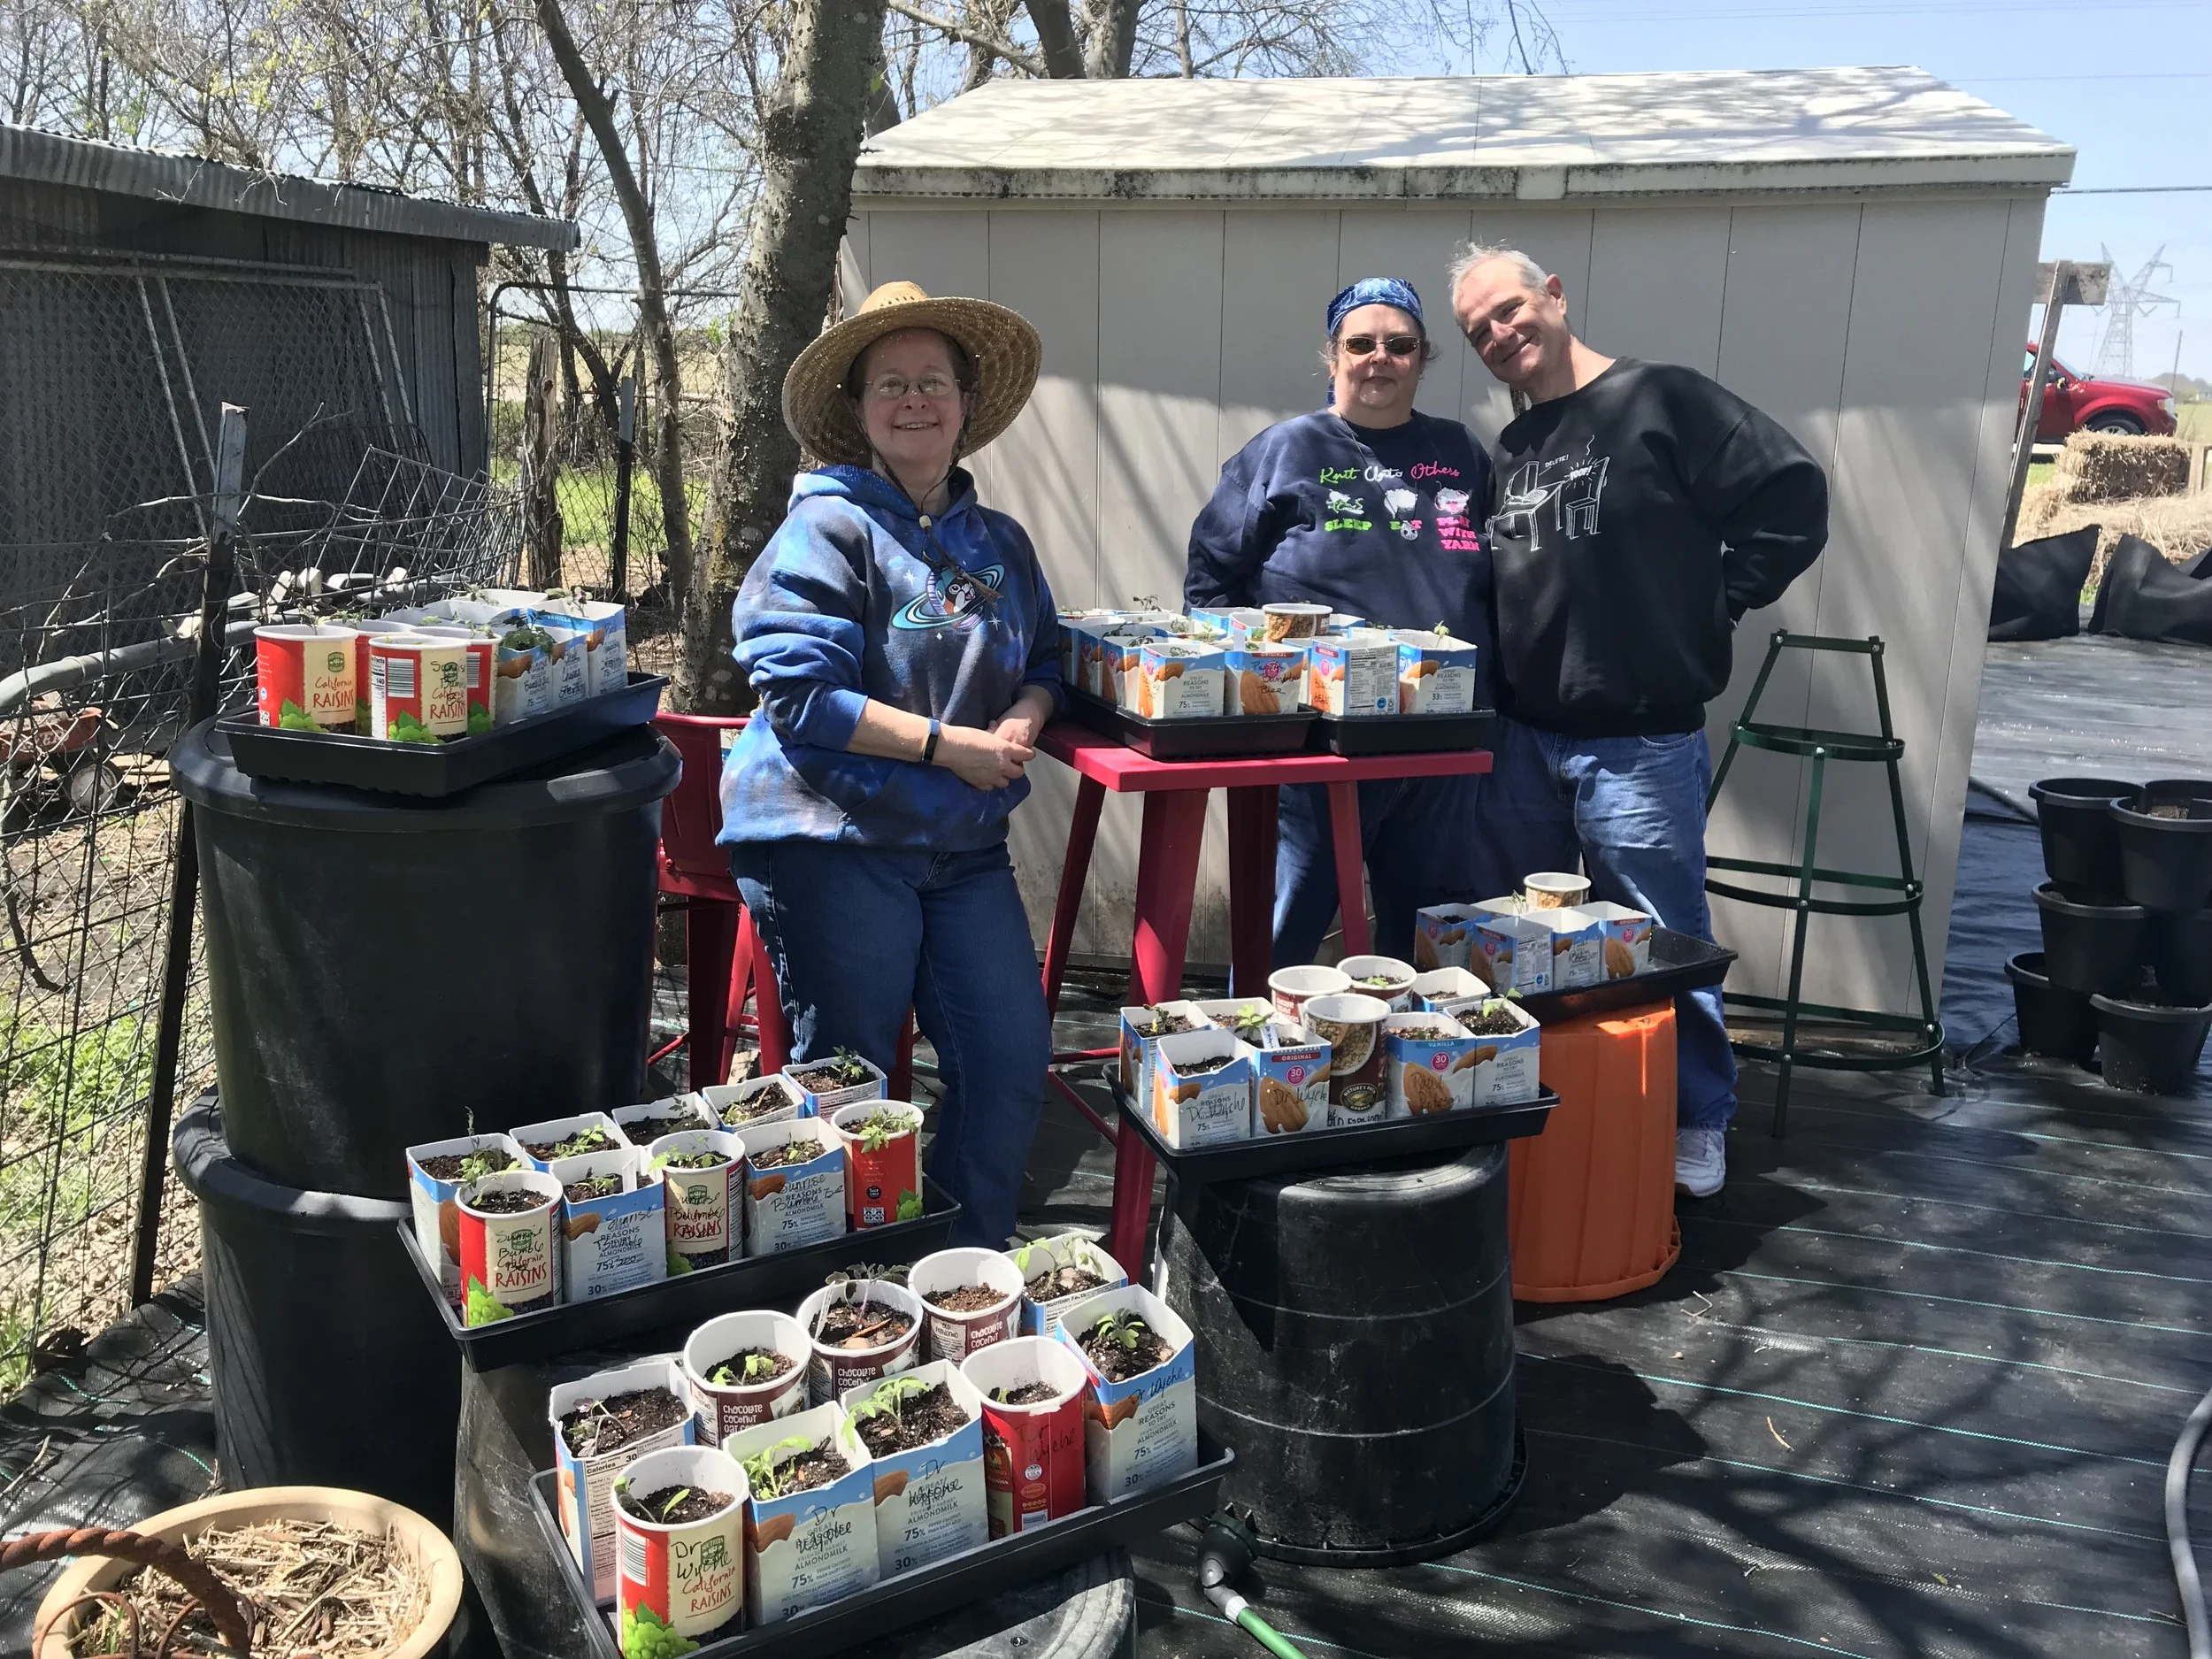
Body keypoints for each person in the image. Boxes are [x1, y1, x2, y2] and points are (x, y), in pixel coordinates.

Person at [1449, 244, 1828, 1200]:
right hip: (1522, 744)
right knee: (1517, 943)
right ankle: (1531, 1106)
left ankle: (1696, 1118)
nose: (1499, 334)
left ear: (1556, 296)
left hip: (1641, 743)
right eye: (1477, 330)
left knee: (1661, 937)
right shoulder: (1511, 452)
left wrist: (1717, 602)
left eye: (1507, 309)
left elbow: (1792, 497)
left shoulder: (1665, 401)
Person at [719, 280, 1060, 1248]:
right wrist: (950, 746)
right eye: (890, 385)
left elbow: (1044, 662)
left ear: (963, 403)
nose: (915, 400)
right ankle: (844, 1292)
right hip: (834, 836)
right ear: (859, 412)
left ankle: (961, 1275)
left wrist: (1029, 714)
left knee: (1005, 1057)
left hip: (960, 845)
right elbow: (799, 695)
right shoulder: (825, 528)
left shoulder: (997, 543)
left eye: (933, 382)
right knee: (853, 1085)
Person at [1186, 277, 1498, 967]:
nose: (1379, 358)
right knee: (1286, 918)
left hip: (1440, 738)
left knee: (1425, 934)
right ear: (1333, 357)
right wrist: (1252, 695)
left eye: (1399, 344)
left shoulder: (1461, 452)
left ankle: (1396, 1056)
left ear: (1423, 358)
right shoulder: (1286, 450)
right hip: (1319, 741)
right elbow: (1209, 582)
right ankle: (1258, 1055)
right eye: (1360, 343)